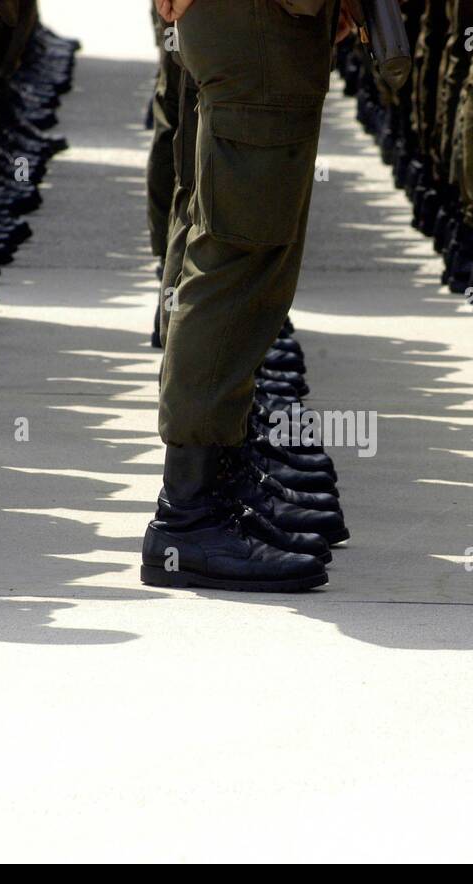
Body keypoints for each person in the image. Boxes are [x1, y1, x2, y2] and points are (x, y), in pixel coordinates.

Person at [142, 0, 352, 593]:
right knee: (236, 258)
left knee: (246, 249)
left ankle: (217, 481)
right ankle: (189, 514)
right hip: (252, 20)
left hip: (259, 21)